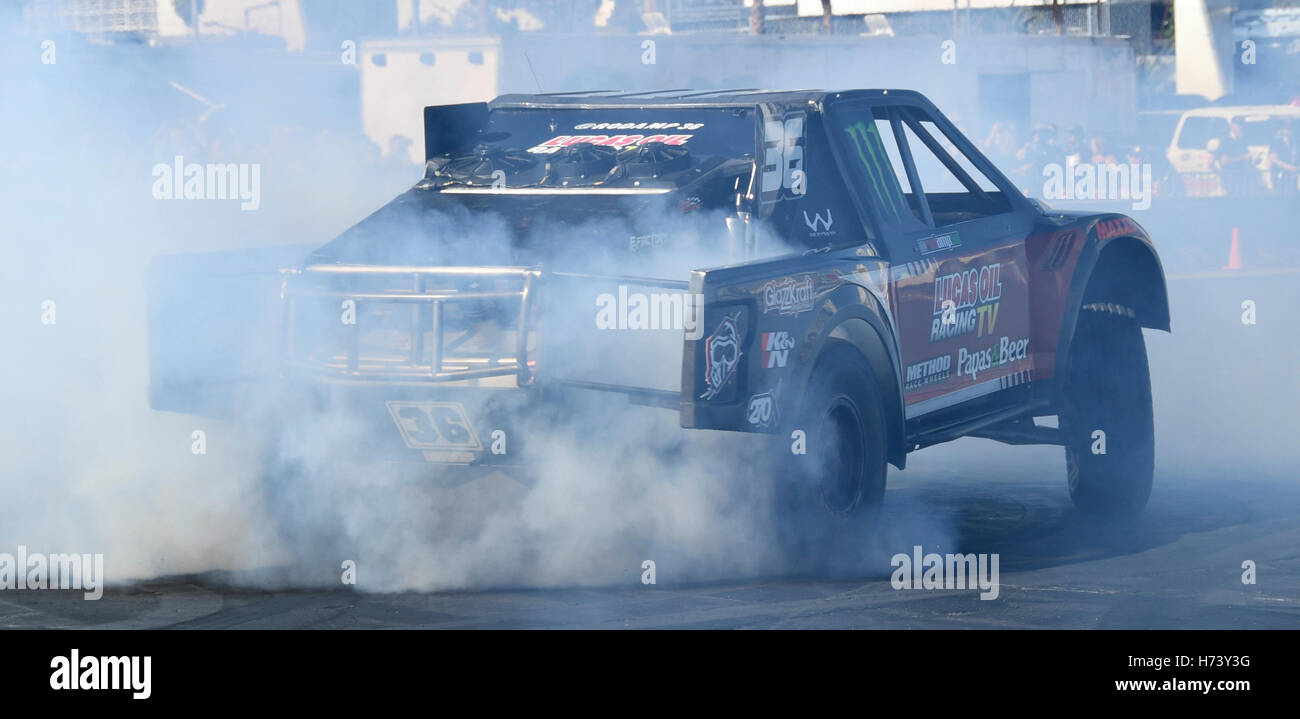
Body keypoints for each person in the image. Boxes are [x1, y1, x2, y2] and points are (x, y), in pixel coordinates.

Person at [1215, 120, 1262, 195]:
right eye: (1239, 125)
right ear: (1232, 127)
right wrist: (1243, 158)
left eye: (1242, 125)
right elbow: (1224, 161)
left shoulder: (1241, 141)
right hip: (1231, 180)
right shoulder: (1225, 141)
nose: (1242, 127)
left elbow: (1246, 158)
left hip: (1242, 181)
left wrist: (1254, 160)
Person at [1267, 122, 1298, 196]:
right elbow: (1273, 159)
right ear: (1281, 130)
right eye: (1286, 128)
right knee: (1281, 195)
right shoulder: (1276, 142)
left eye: (1290, 129)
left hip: (1291, 175)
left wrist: (1296, 167)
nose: (1289, 131)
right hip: (1280, 175)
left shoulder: (1292, 142)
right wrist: (1289, 167)